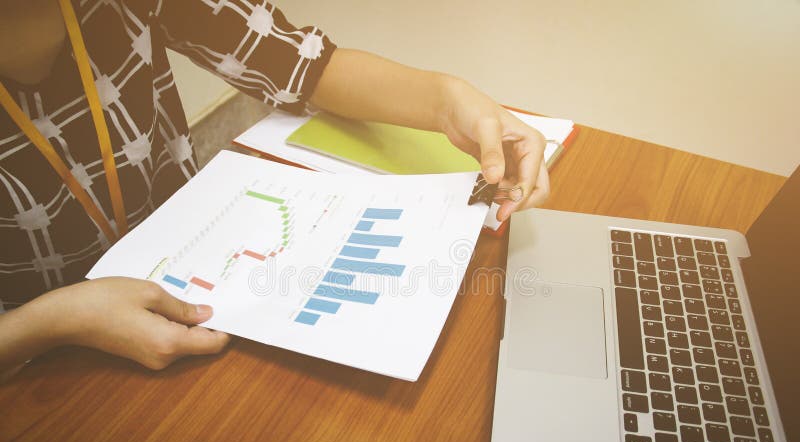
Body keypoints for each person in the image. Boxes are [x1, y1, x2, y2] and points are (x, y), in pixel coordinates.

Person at [0, 0, 549, 377]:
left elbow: (301, 64)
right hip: (36, 366)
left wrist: (448, 99)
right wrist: (55, 320)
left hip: (196, 285)